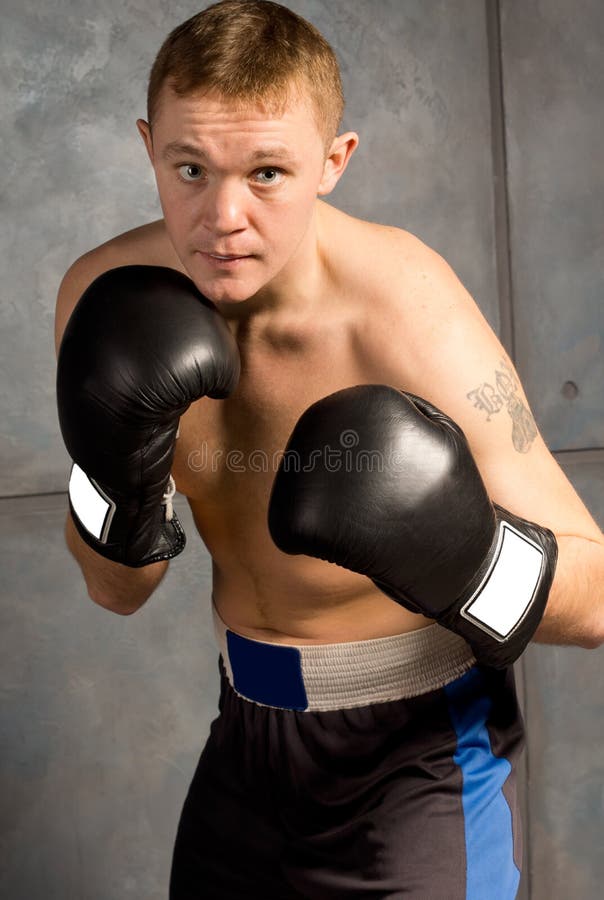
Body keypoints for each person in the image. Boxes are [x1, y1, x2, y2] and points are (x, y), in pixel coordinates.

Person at [54, 2, 604, 897]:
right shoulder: (101, 297)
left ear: (333, 163)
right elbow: (116, 590)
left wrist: (467, 553)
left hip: (416, 755)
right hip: (245, 734)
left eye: (267, 172)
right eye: (189, 168)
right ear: (147, 146)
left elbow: (598, 596)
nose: (222, 216)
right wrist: (114, 478)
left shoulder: (403, 307)